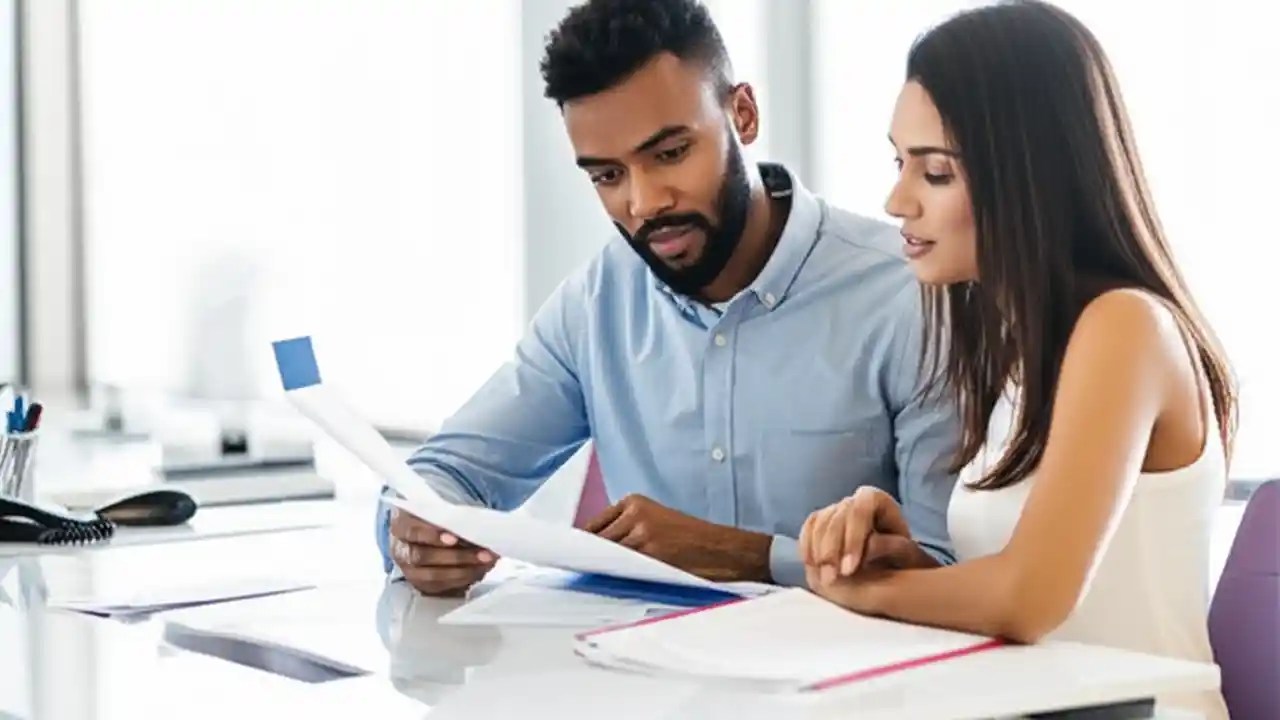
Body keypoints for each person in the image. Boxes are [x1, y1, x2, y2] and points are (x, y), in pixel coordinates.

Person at [378, 0, 961, 596]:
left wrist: (751, 556)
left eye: (670, 154)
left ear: (744, 114)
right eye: (608, 175)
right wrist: (414, 533)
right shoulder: (595, 306)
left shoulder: (909, 295)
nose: (643, 202)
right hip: (640, 678)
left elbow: (951, 570)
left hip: (856, 682)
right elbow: (441, 475)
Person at [799, 2, 1235, 717]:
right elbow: (1016, 591)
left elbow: (1028, 599)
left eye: (935, 172)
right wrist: (903, 564)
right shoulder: (1018, 352)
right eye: (898, 162)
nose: (896, 200)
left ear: (1028, 176)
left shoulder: (1126, 327)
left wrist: (860, 590)